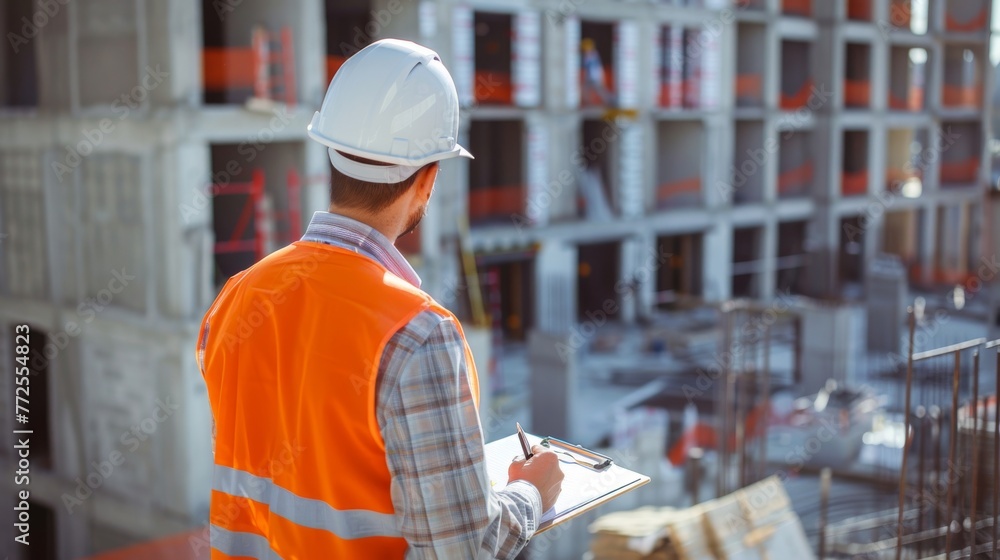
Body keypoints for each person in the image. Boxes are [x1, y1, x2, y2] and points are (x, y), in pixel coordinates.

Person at [197, 38, 563, 559]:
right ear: (429, 178)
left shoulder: (236, 298)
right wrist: (532, 492)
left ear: (331, 156)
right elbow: (462, 550)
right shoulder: (417, 335)